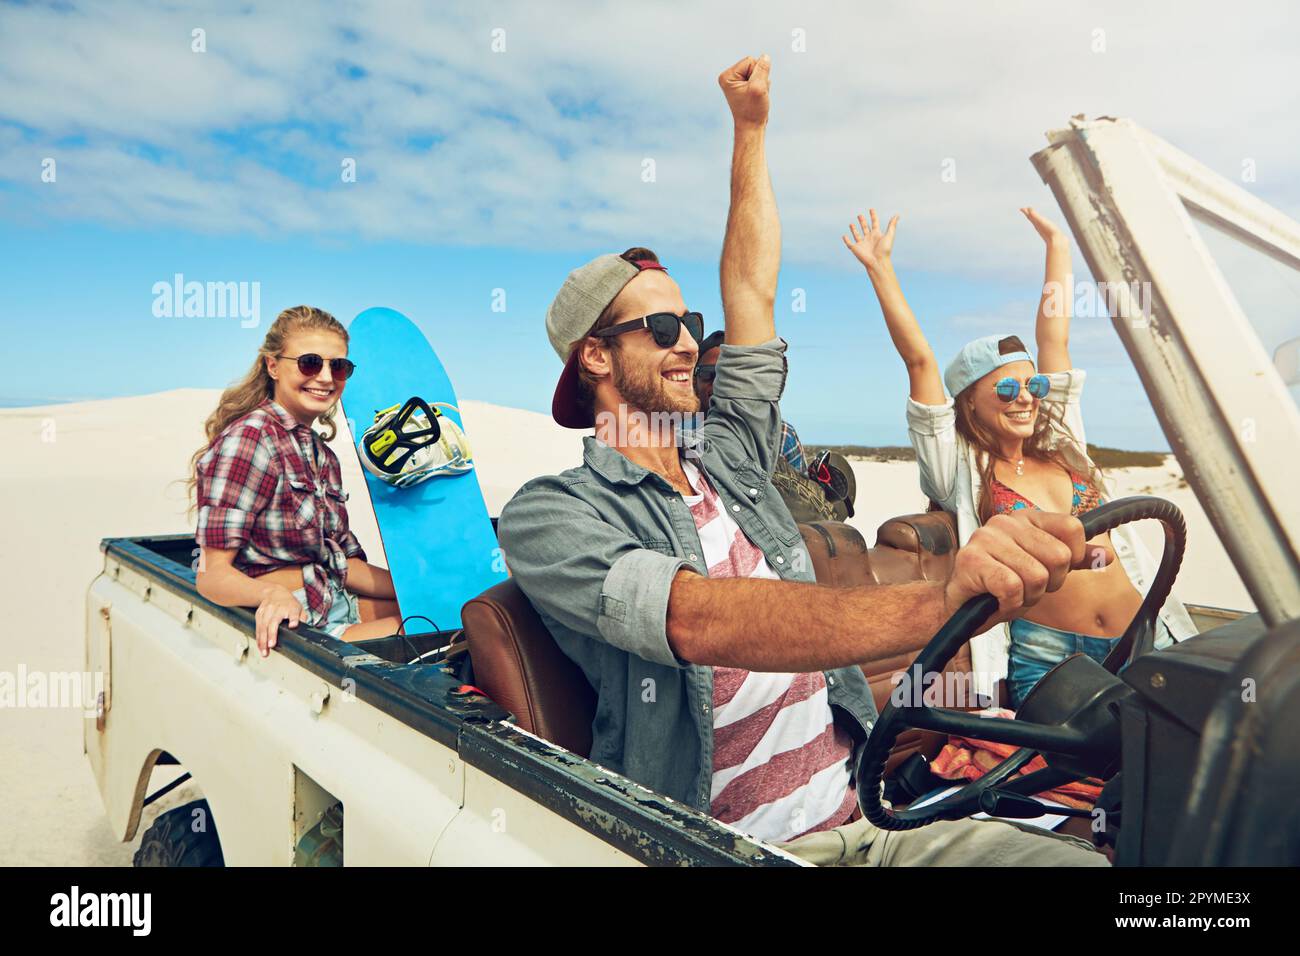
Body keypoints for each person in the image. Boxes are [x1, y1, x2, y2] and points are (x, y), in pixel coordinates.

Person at [498, 54, 1106, 866]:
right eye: (662, 330)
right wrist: (942, 603)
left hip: (868, 816)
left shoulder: (728, 452)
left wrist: (750, 132)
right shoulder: (554, 513)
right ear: (596, 360)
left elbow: (751, 287)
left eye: (690, 321)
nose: (689, 346)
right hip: (729, 847)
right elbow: (698, 618)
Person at [842, 207, 1196, 706]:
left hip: (1144, 631)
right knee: (1074, 779)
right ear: (969, 401)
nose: (1025, 397)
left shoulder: (1065, 438)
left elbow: (1056, 334)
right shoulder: (961, 467)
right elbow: (919, 359)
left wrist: (1058, 245)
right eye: (1006, 388)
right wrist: (880, 269)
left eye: (1033, 385)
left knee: (1171, 769)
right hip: (1052, 654)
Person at [188, 304, 402, 657]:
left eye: (339, 367)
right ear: (273, 365)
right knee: (451, 639)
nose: (325, 377)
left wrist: (415, 589)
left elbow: (343, 565)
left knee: (443, 620)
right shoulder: (250, 440)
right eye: (310, 363)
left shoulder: (322, 455)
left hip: (335, 600)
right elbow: (211, 575)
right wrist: (270, 594)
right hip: (298, 623)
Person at [696, 330, 851, 522]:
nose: (719, 384)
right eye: (707, 374)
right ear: (694, 379)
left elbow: (800, 502)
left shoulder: (782, 435)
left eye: (727, 377)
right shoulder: (677, 434)